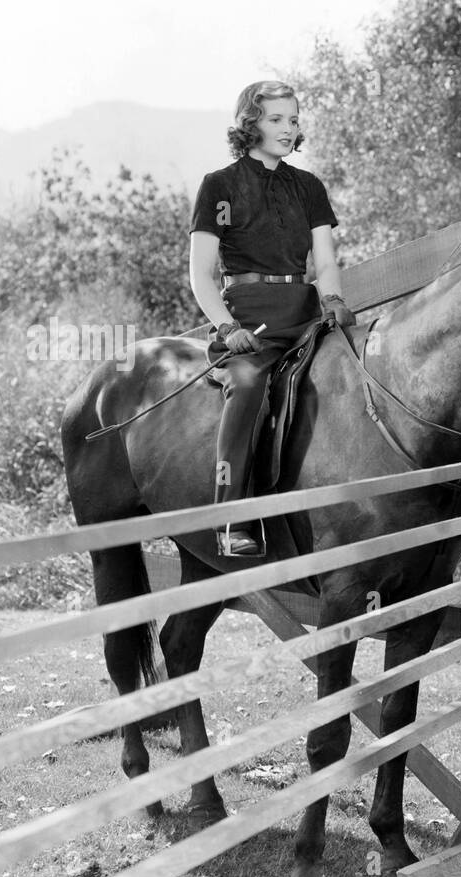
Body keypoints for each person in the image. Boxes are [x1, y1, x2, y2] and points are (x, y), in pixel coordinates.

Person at [189, 80, 355, 556]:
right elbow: (201, 276)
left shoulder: (309, 187)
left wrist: (333, 299)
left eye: (294, 119)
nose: (288, 129)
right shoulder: (219, 186)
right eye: (276, 119)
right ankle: (231, 521)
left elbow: (325, 262)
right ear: (251, 123)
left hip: (305, 317)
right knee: (246, 388)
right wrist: (227, 328)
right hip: (248, 325)